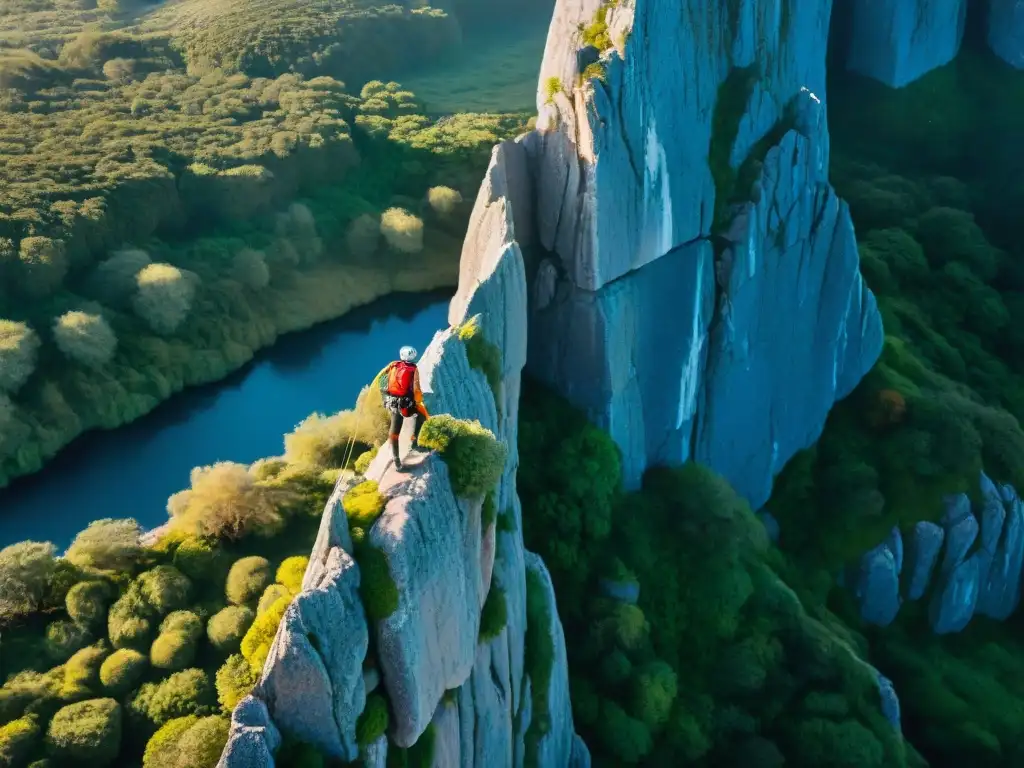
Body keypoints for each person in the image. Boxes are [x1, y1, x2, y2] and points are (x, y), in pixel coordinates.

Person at [375, 346, 430, 471]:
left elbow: (382, 380)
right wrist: (418, 400)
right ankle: (414, 442)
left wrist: (386, 397)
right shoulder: (413, 369)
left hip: (392, 403)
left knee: (394, 433)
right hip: (406, 405)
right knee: (422, 416)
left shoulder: (394, 365)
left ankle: (397, 462)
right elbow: (416, 388)